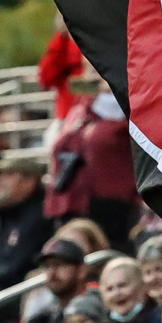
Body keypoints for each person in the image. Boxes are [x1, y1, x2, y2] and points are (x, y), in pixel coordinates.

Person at [45, 76, 141, 252]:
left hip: (113, 205)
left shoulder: (126, 109)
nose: (94, 77)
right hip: (74, 202)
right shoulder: (81, 110)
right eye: (89, 70)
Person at [0, 153, 54, 308]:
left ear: (30, 181)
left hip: (15, 295)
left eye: (8, 175)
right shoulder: (3, 216)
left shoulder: (39, 217)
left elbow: (16, 268)